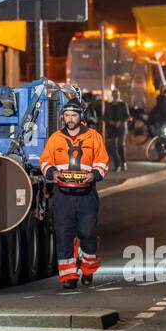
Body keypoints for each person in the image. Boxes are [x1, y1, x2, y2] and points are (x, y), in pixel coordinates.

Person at [40, 99, 110, 289]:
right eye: (67, 115)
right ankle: (69, 276)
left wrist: (94, 174)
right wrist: (51, 172)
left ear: (81, 116)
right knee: (63, 235)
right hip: (62, 195)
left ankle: (88, 270)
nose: (70, 119)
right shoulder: (55, 139)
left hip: (86, 194)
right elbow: (45, 160)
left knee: (88, 233)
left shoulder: (93, 137)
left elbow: (102, 161)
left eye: (74, 115)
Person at [102, 89, 129, 172]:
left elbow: (127, 116)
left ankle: (123, 162)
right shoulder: (108, 105)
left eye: (117, 94)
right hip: (112, 128)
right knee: (113, 147)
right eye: (114, 94)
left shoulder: (123, 104)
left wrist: (120, 122)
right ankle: (117, 165)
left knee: (121, 145)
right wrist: (110, 121)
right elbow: (104, 116)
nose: (116, 96)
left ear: (119, 95)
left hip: (121, 128)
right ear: (112, 95)